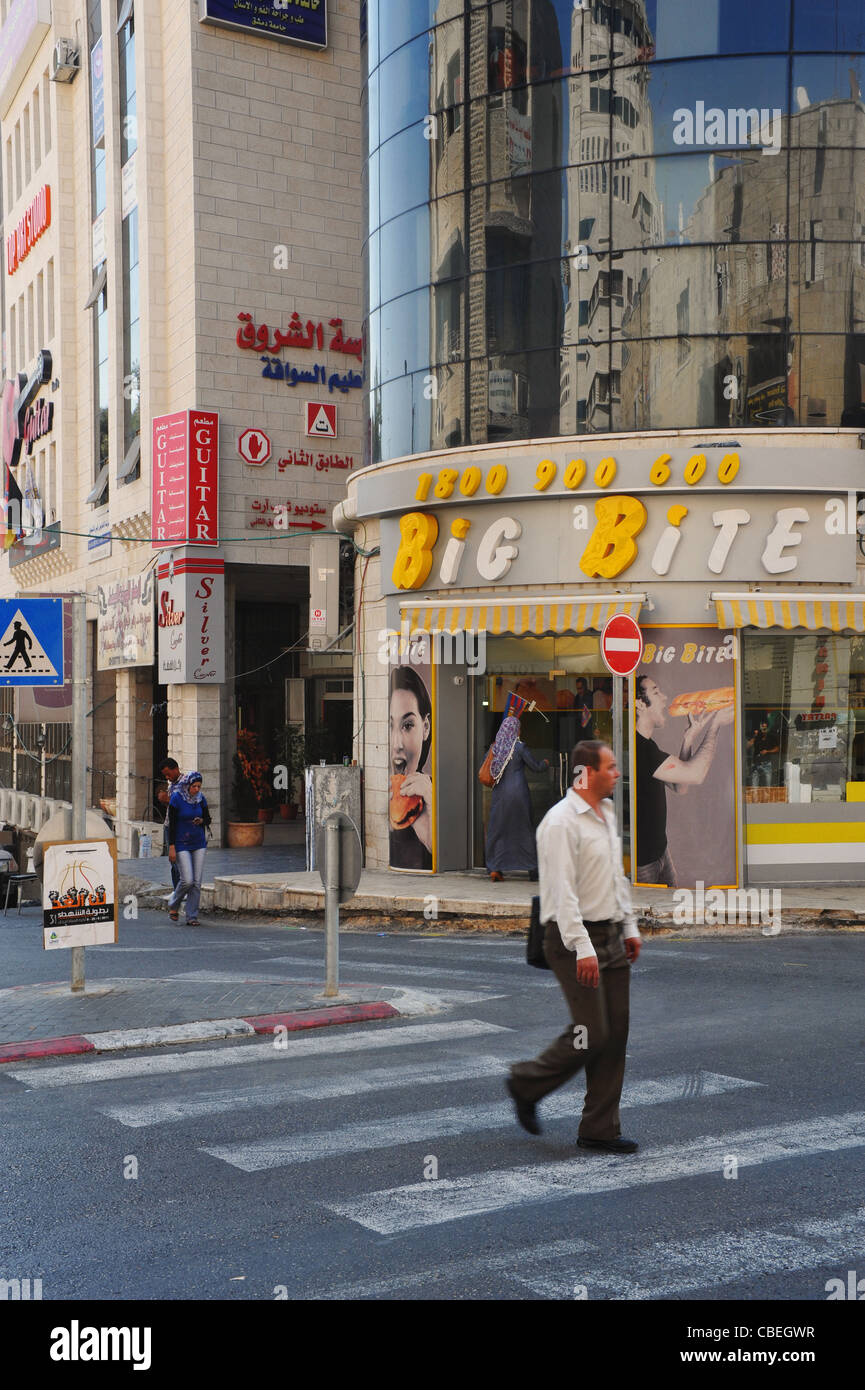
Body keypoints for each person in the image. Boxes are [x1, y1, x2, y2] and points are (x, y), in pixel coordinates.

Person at [506, 740, 642, 1153]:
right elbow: (561, 894)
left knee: (615, 1032)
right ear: (587, 772)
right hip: (571, 939)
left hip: (611, 934)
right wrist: (582, 948)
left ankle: (600, 1128)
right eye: (611, 767)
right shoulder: (559, 823)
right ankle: (526, 1083)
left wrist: (630, 925)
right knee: (592, 1031)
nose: (617, 773)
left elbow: (616, 878)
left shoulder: (607, 813)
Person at [634, 674, 733, 886]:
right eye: (656, 692)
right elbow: (695, 774)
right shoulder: (640, 750)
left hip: (660, 852)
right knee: (649, 917)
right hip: (644, 864)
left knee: (666, 912)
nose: (664, 697)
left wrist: (688, 740)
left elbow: (680, 787)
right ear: (639, 705)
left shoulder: (647, 747)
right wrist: (714, 726)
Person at [485, 714, 548, 881]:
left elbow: (488, 769)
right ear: (515, 730)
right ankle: (532, 869)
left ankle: (494, 868)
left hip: (500, 796)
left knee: (498, 831)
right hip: (519, 795)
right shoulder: (519, 747)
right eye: (519, 728)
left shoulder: (495, 748)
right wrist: (546, 764)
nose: (520, 730)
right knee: (524, 830)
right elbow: (536, 767)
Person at [389, 665, 433, 870]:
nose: (397, 744)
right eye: (390, 726)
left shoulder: (435, 794)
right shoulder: (382, 793)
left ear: (425, 728)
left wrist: (431, 810)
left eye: (407, 725)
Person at [167, 772, 211, 926]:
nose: (197, 789)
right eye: (194, 786)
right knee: (187, 880)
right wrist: (171, 846)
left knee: (197, 883)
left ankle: (192, 916)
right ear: (187, 785)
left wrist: (202, 820)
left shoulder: (201, 798)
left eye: (199, 786)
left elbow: (208, 818)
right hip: (181, 843)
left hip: (198, 842)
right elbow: (171, 824)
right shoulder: (176, 798)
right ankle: (173, 903)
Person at [157, 758, 182, 891]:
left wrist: (168, 798)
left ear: (176, 769)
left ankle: (182, 891)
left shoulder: (185, 783)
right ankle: (176, 890)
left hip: (179, 827)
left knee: (178, 861)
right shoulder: (172, 784)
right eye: (165, 775)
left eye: (168, 774)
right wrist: (165, 800)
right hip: (169, 824)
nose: (167, 777)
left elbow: (185, 802)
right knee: (172, 861)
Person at [747, 717, 779, 787]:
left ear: (768, 728)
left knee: (767, 786)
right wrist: (755, 736)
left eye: (765, 728)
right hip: (756, 763)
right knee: (754, 787)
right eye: (762, 727)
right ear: (760, 727)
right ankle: (755, 798)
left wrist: (767, 751)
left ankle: (766, 798)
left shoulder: (771, 736)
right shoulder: (757, 736)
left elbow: (777, 749)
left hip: (766, 763)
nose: (763, 729)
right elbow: (748, 746)